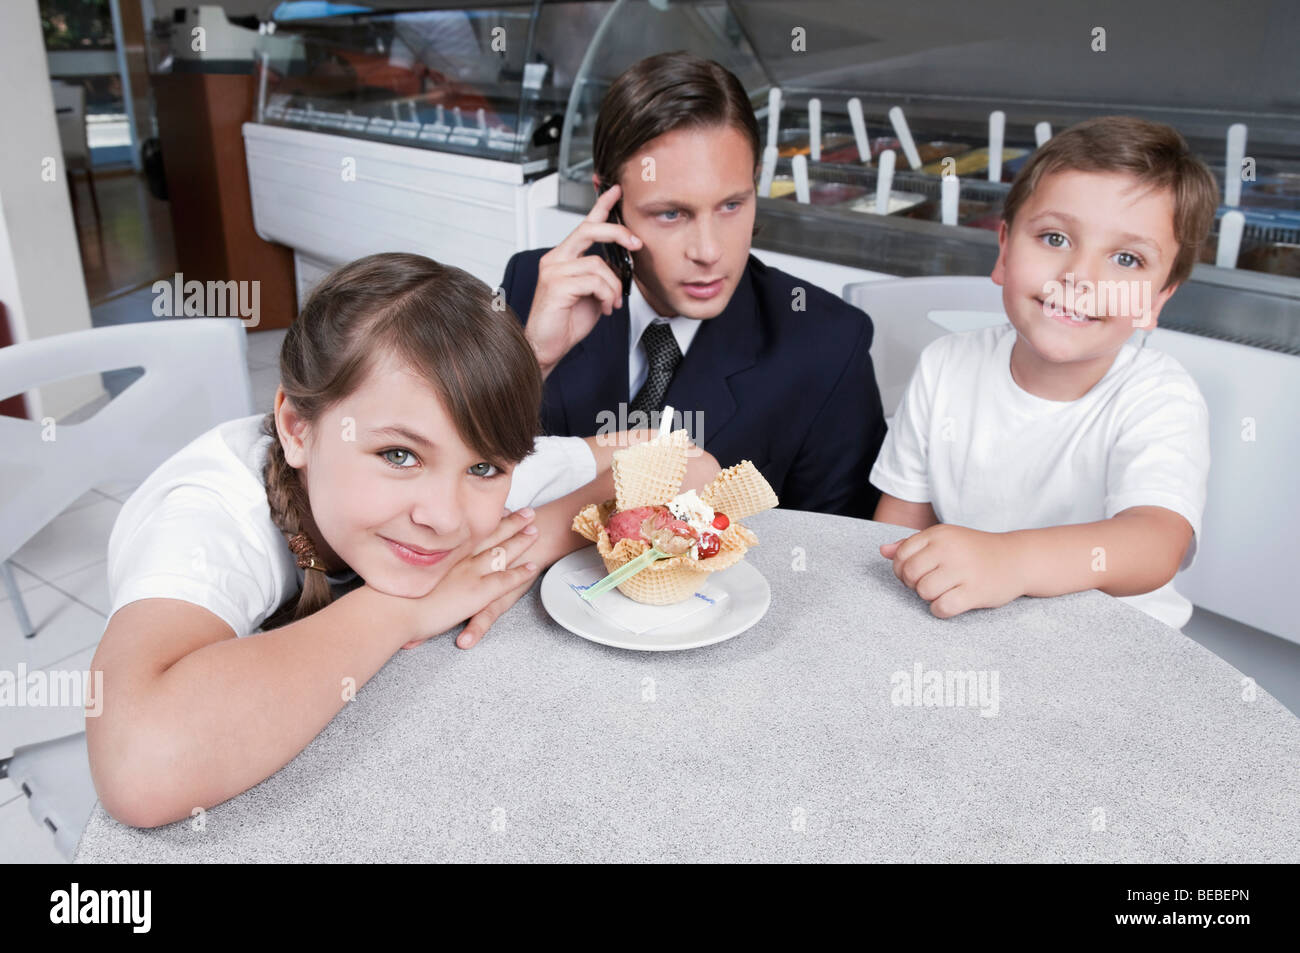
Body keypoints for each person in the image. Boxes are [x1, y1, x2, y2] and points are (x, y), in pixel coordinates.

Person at [87, 253, 717, 828]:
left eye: (485, 468)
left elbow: (689, 463)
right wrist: (405, 608)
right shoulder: (209, 515)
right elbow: (141, 769)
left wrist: (526, 542)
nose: (445, 517)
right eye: (398, 455)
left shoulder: (463, 477)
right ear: (297, 429)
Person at [501, 50, 887, 518]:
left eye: (731, 205)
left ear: (755, 183)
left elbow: (838, 551)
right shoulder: (533, 286)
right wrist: (533, 363)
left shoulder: (827, 344)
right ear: (608, 198)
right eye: (671, 214)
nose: (708, 251)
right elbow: (462, 486)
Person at [870, 116, 1217, 628]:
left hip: (1114, 651)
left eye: (1126, 258)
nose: (1079, 277)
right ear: (1005, 250)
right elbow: (897, 528)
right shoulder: (945, 365)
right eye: (1055, 238)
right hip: (973, 633)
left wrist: (1011, 561)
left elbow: (1155, 543)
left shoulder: (1160, 396)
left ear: (1158, 298)